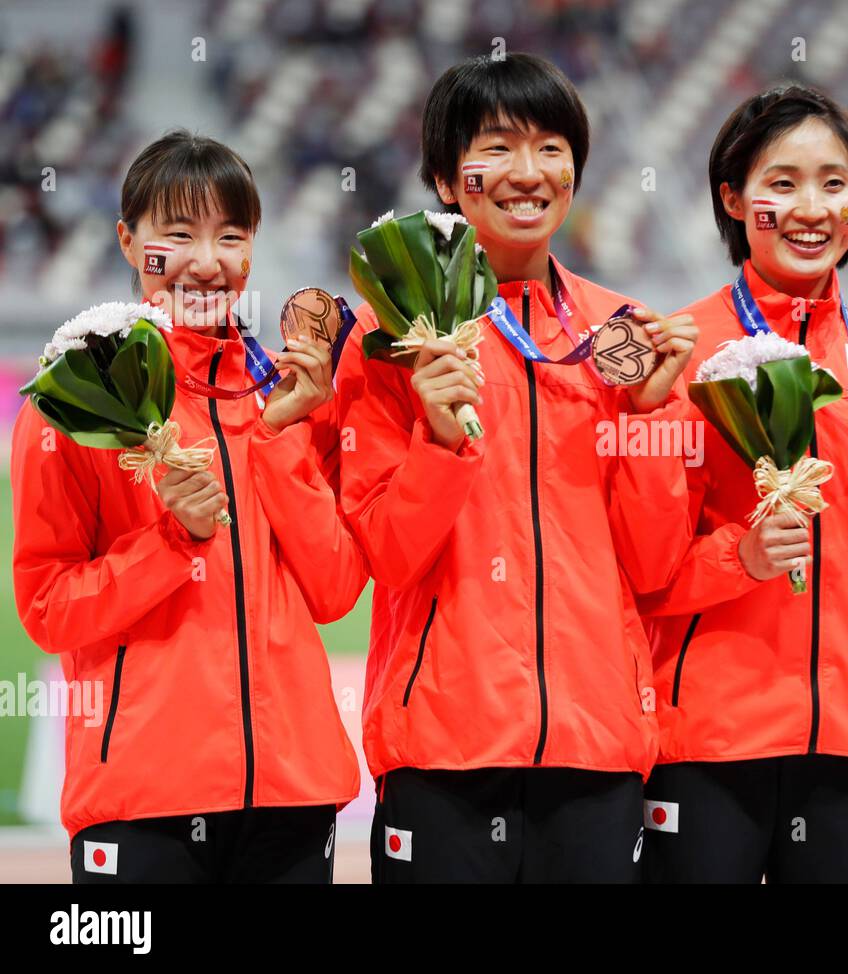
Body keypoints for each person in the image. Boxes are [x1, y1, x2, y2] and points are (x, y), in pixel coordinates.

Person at [334, 53, 698, 883]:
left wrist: (646, 416)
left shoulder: (622, 335)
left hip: (596, 748)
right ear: (443, 175)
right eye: (495, 149)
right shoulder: (386, 337)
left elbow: (653, 565)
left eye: (551, 148)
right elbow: (386, 557)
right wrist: (435, 440)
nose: (527, 173)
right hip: (443, 748)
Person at [11, 130, 365, 883]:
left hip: (291, 798)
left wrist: (277, 437)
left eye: (231, 236)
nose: (208, 261)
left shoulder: (280, 394)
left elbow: (335, 592)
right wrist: (171, 545)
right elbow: (46, 606)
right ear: (128, 240)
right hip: (143, 804)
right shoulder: (74, 403)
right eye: (178, 234)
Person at [638, 83, 848, 883]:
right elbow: (642, 573)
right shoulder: (679, 357)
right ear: (733, 199)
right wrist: (738, 558)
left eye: (834, 182)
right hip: (709, 740)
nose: (811, 206)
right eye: (782, 182)